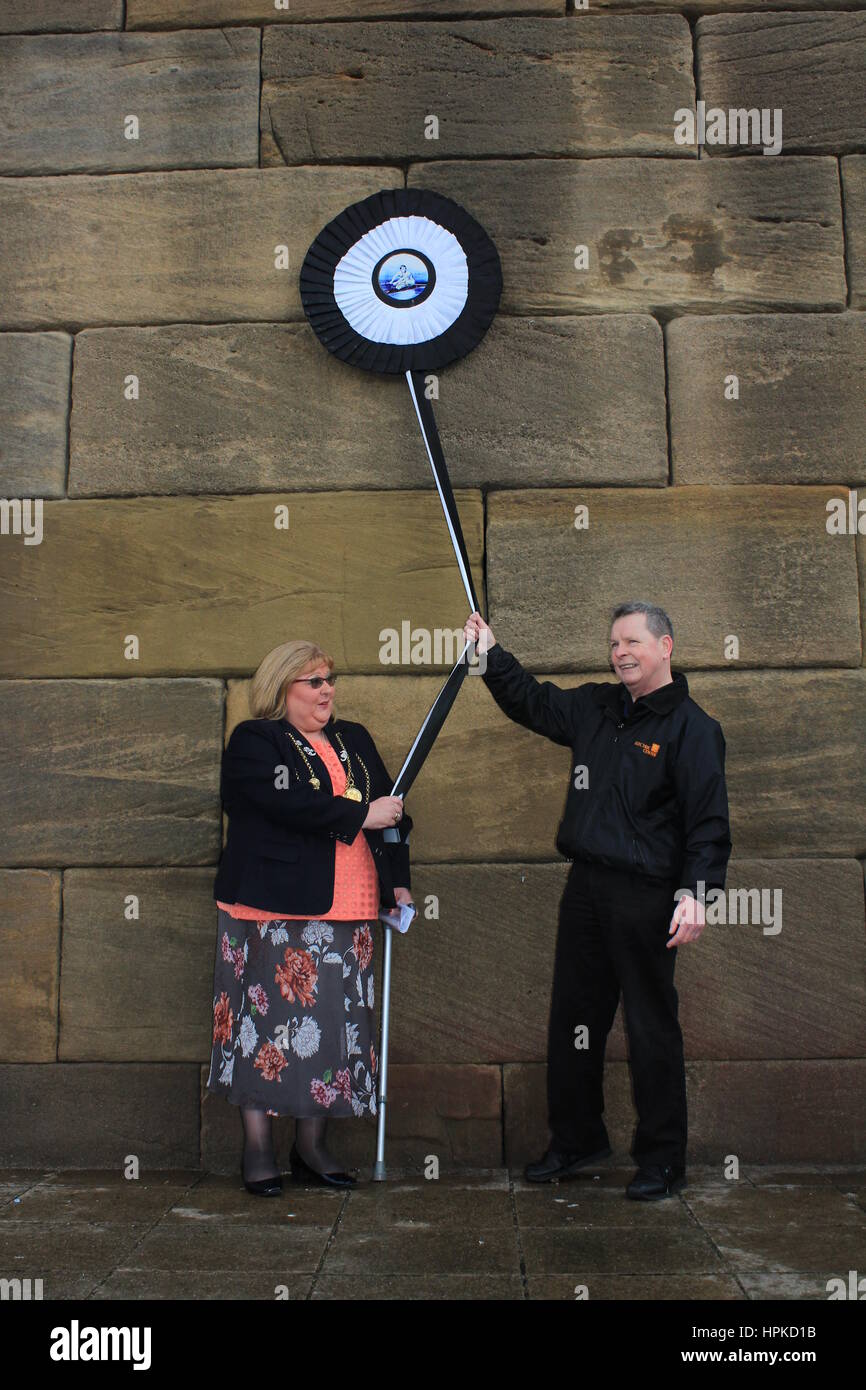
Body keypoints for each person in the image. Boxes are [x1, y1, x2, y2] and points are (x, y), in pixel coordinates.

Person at [464, 602, 731, 1200]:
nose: (620, 653)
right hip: (586, 888)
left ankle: (663, 1160)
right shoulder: (595, 706)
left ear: (666, 646)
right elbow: (533, 702)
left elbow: (709, 825)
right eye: (613, 644)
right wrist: (491, 655)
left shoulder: (693, 729)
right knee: (574, 1022)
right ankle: (577, 1139)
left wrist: (697, 893)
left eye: (632, 641)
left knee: (650, 1025)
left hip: (649, 896)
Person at [206, 639, 414, 1195]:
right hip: (273, 909)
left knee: (331, 1030)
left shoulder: (355, 739)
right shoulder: (256, 741)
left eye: (329, 679)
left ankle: (311, 1147)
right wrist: (361, 813)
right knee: (264, 1028)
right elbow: (284, 803)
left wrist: (398, 883)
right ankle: (257, 1150)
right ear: (282, 688)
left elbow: (391, 812)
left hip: (351, 909)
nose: (327, 690)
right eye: (313, 681)